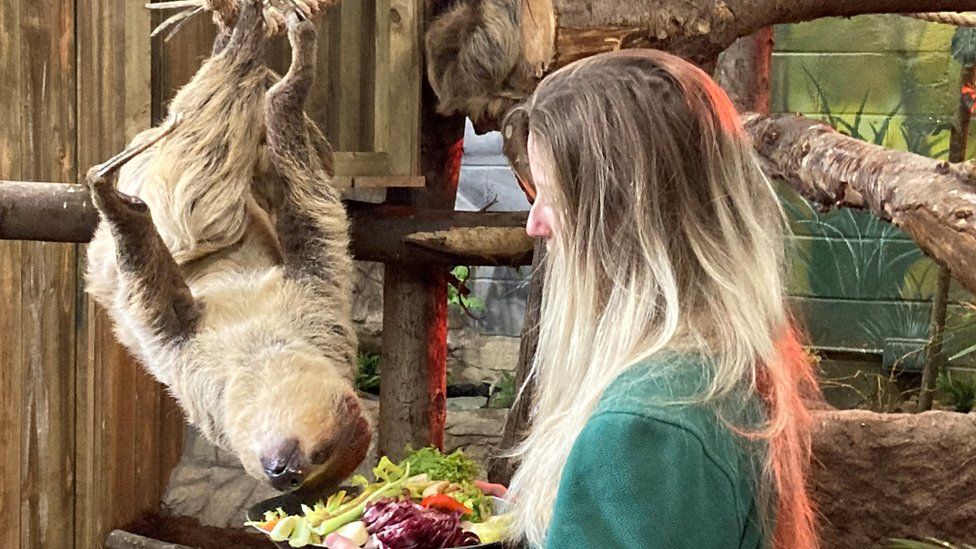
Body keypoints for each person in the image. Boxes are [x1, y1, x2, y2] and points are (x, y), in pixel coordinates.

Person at [502, 49, 821, 549]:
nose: (535, 222)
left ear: (620, 218)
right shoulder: (712, 368)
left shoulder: (642, 430)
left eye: (549, 195)